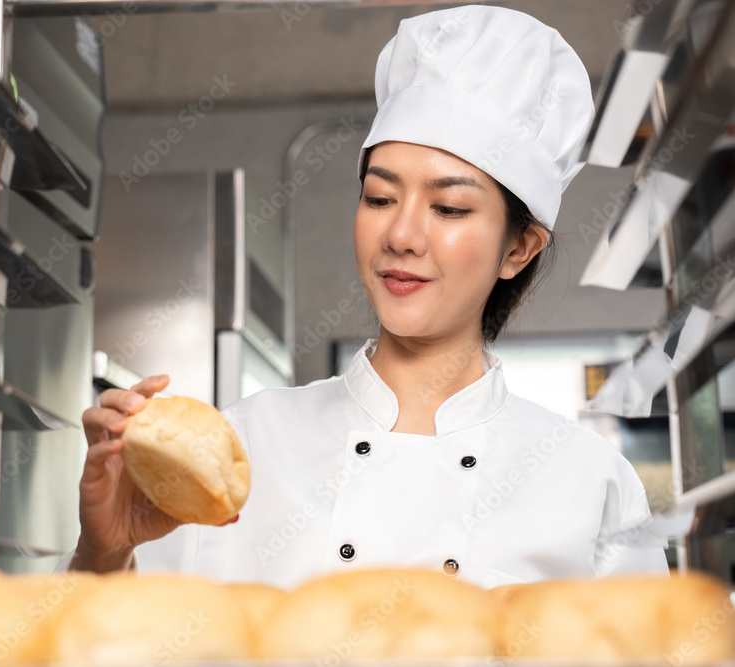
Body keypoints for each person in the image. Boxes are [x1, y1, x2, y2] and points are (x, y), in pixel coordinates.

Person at [65, 4, 670, 589]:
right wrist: (105, 552)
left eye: (449, 208)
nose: (400, 235)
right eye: (380, 198)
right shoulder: (245, 445)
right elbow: (116, 640)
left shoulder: (592, 485)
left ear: (519, 248)